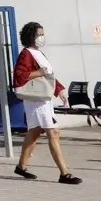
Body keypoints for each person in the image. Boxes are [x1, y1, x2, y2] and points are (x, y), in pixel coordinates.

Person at [11, 22, 81, 184]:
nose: (42, 37)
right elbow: (19, 76)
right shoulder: (27, 54)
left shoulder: (38, 53)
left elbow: (49, 78)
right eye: (40, 34)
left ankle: (21, 167)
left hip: (42, 99)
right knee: (53, 133)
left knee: (34, 132)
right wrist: (39, 72)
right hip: (37, 101)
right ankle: (64, 173)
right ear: (32, 36)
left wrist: (59, 90)